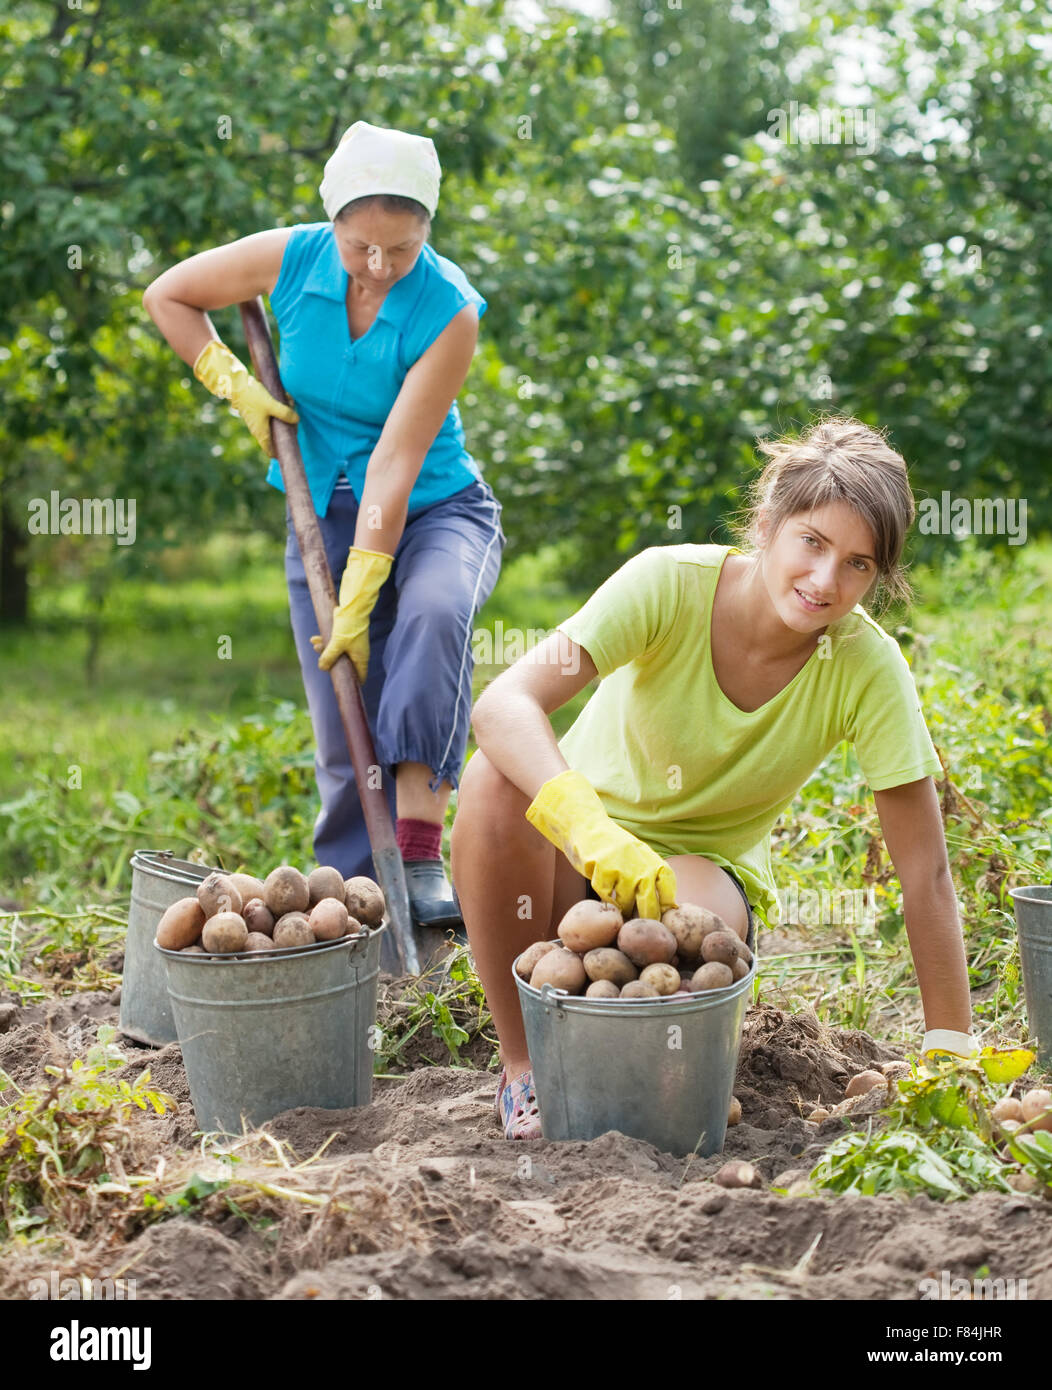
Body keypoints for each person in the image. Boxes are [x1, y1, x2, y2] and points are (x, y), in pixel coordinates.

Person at [451, 416, 975, 1139]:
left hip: (700, 874)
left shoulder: (865, 666)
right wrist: (588, 826)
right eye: (813, 543)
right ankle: (524, 1069)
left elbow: (926, 873)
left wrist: (952, 1054)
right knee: (491, 782)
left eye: (857, 564)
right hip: (568, 858)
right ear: (767, 524)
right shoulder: (670, 584)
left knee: (674, 939)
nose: (826, 580)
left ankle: (623, 1063)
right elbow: (503, 704)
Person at [144, 120, 505, 931]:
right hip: (322, 513)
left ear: (426, 234)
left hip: (438, 509)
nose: (379, 267)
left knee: (432, 616)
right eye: (362, 248)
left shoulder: (450, 310)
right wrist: (229, 380)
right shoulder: (295, 255)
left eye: (401, 250)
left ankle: (417, 856)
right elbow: (168, 294)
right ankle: (355, 905)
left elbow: (396, 462)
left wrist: (365, 577)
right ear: (333, 222)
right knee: (343, 725)